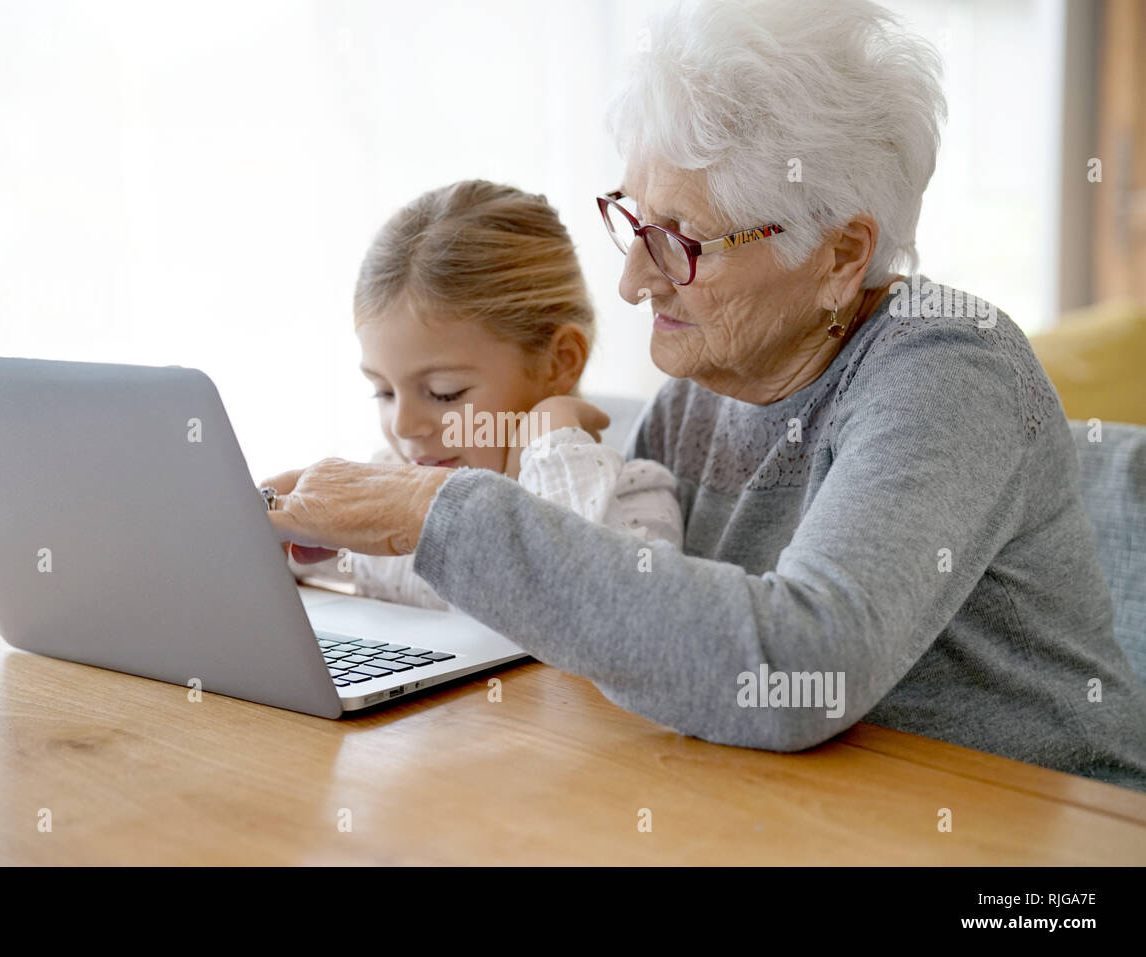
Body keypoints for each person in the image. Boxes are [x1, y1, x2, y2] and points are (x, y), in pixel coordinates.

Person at [262, 0, 1146, 791]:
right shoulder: (709, 381)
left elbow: (804, 665)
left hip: (1044, 827)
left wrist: (434, 511)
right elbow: (631, 616)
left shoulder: (951, 366)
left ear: (839, 255)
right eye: (632, 221)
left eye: (681, 240)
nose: (633, 281)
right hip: (797, 805)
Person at [283, 179, 683, 610]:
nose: (403, 426)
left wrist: (549, 438)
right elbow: (276, 565)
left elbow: (607, 613)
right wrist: (268, 522)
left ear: (559, 362)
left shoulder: (632, 498)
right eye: (383, 393)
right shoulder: (388, 498)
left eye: (443, 393)